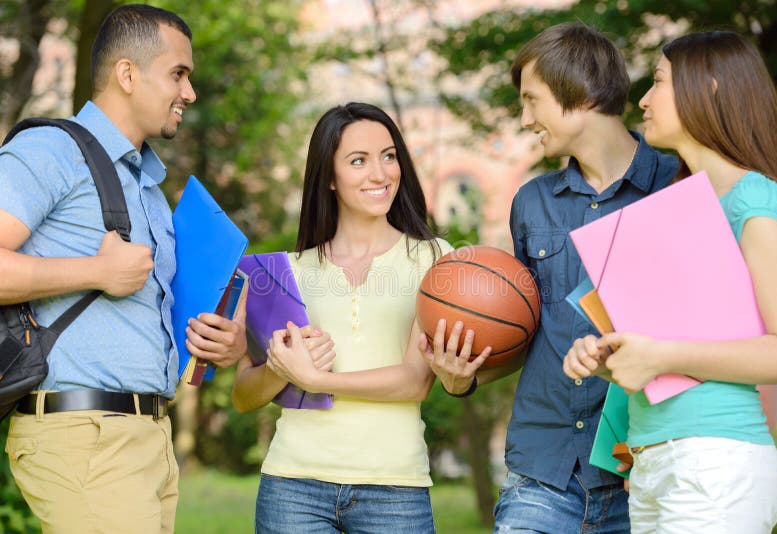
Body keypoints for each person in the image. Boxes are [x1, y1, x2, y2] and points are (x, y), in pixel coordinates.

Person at [422, 22, 678, 533]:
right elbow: (522, 333)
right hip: (542, 473)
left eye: (531, 100)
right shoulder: (531, 202)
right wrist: (463, 377)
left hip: (643, 472)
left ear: (579, 91)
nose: (523, 119)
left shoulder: (674, 186)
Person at [0, 5, 247, 533]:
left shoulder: (151, 192)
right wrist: (95, 272)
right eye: (178, 74)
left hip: (148, 438)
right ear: (128, 74)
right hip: (84, 435)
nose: (190, 93)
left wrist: (217, 343)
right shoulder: (49, 149)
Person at [564, 30, 777, 533]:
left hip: (713, 465)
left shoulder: (755, 203)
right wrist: (613, 357)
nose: (643, 100)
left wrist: (661, 355)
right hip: (653, 466)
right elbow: (671, 351)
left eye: (658, 82)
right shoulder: (680, 209)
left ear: (709, 87)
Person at [231, 102, 476, 534]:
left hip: (394, 489)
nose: (380, 174)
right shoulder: (286, 271)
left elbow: (415, 381)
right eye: (358, 161)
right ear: (329, 176)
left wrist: (317, 379)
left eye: (388, 156)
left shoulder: (436, 259)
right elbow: (243, 396)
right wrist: (278, 368)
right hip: (293, 487)